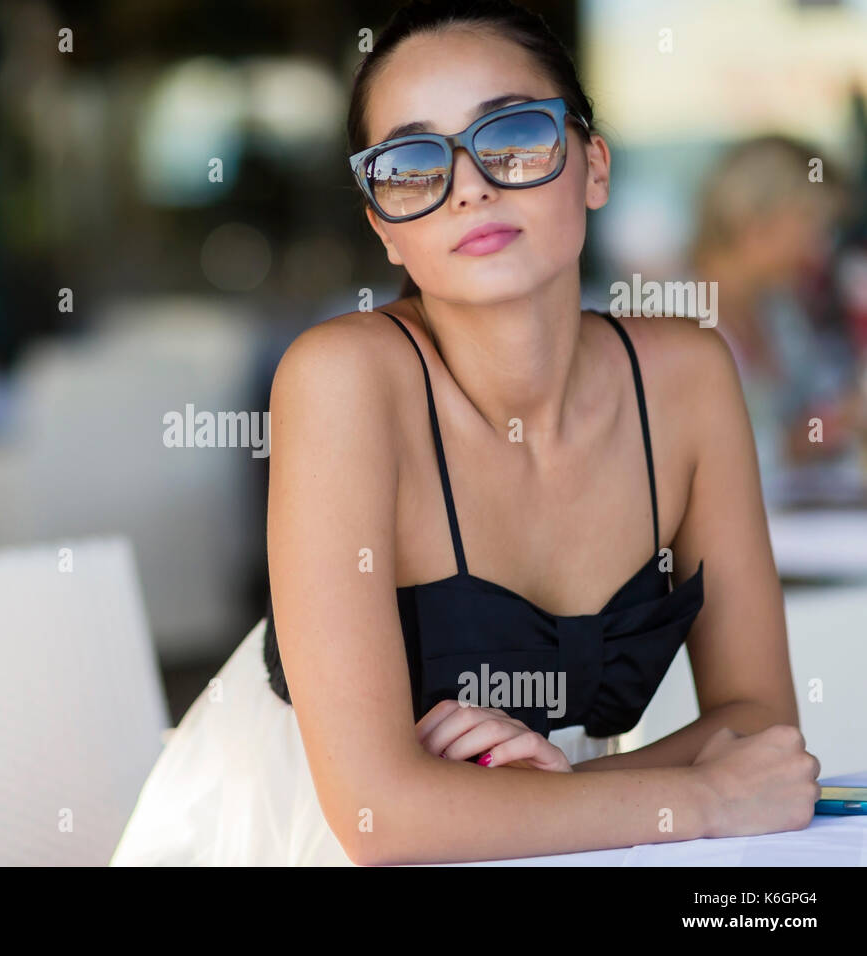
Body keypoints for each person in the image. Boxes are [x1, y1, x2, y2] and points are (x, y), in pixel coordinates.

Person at [111, 0, 818, 867]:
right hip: (294, 835)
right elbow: (380, 819)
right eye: (411, 163)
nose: (471, 184)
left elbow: (760, 725)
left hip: (560, 837)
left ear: (593, 166)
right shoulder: (343, 381)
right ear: (384, 228)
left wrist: (553, 798)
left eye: (512, 135)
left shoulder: (690, 379)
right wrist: (698, 799)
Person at [688, 136, 867, 503]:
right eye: (812, 226)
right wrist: (797, 443)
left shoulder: (780, 311)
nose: (820, 248)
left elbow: (817, 406)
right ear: (756, 222)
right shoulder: (667, 319)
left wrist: (837, 419)